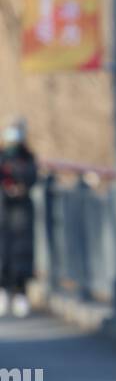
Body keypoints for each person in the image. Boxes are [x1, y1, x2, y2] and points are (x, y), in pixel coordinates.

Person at [0, 119, 38, 318]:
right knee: (3, 251)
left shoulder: (27, 157)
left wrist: (21, 187)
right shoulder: (2, 156)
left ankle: (21, 293)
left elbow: (32, 176)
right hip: (4, 209)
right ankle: (3, 289)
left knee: (22, 252)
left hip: (22, 211)